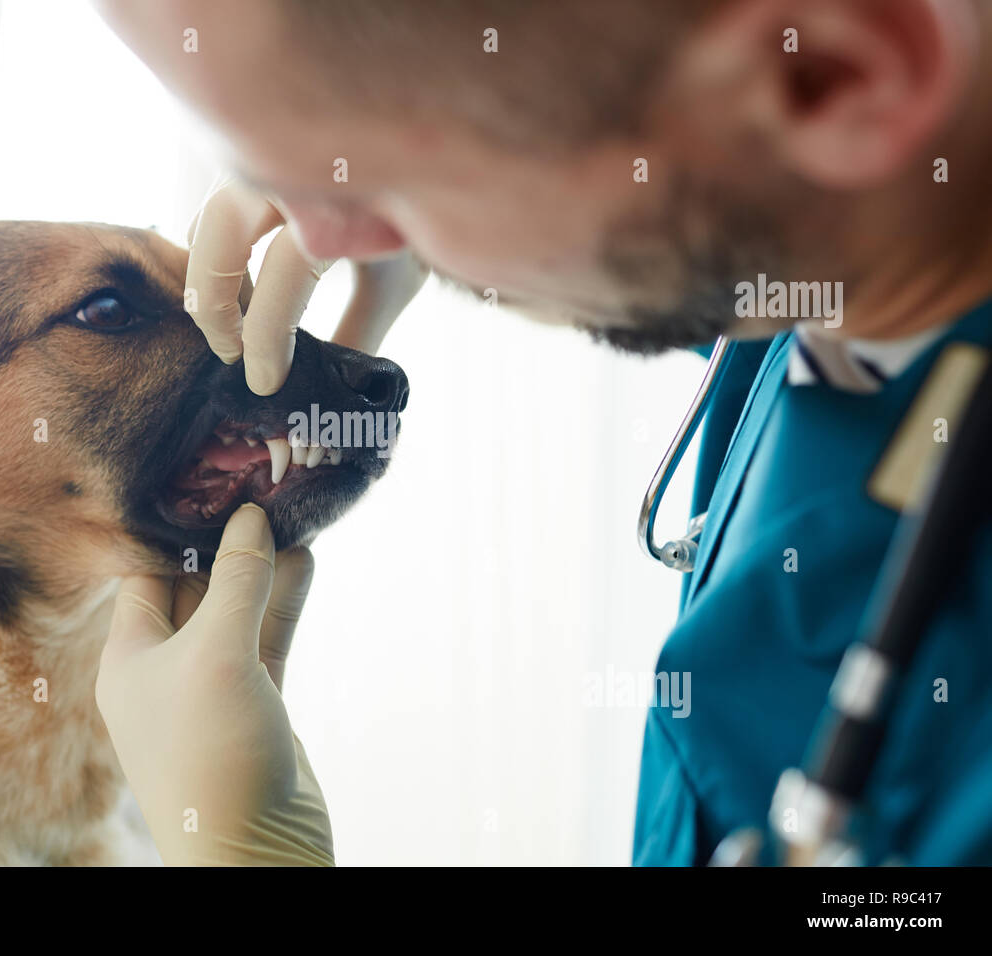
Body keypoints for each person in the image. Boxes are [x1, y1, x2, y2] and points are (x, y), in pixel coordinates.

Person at [91, 0, 992, 865]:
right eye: (282, 171)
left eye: (377, 180)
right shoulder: (823, 256)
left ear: (830, 78)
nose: (324, 234)